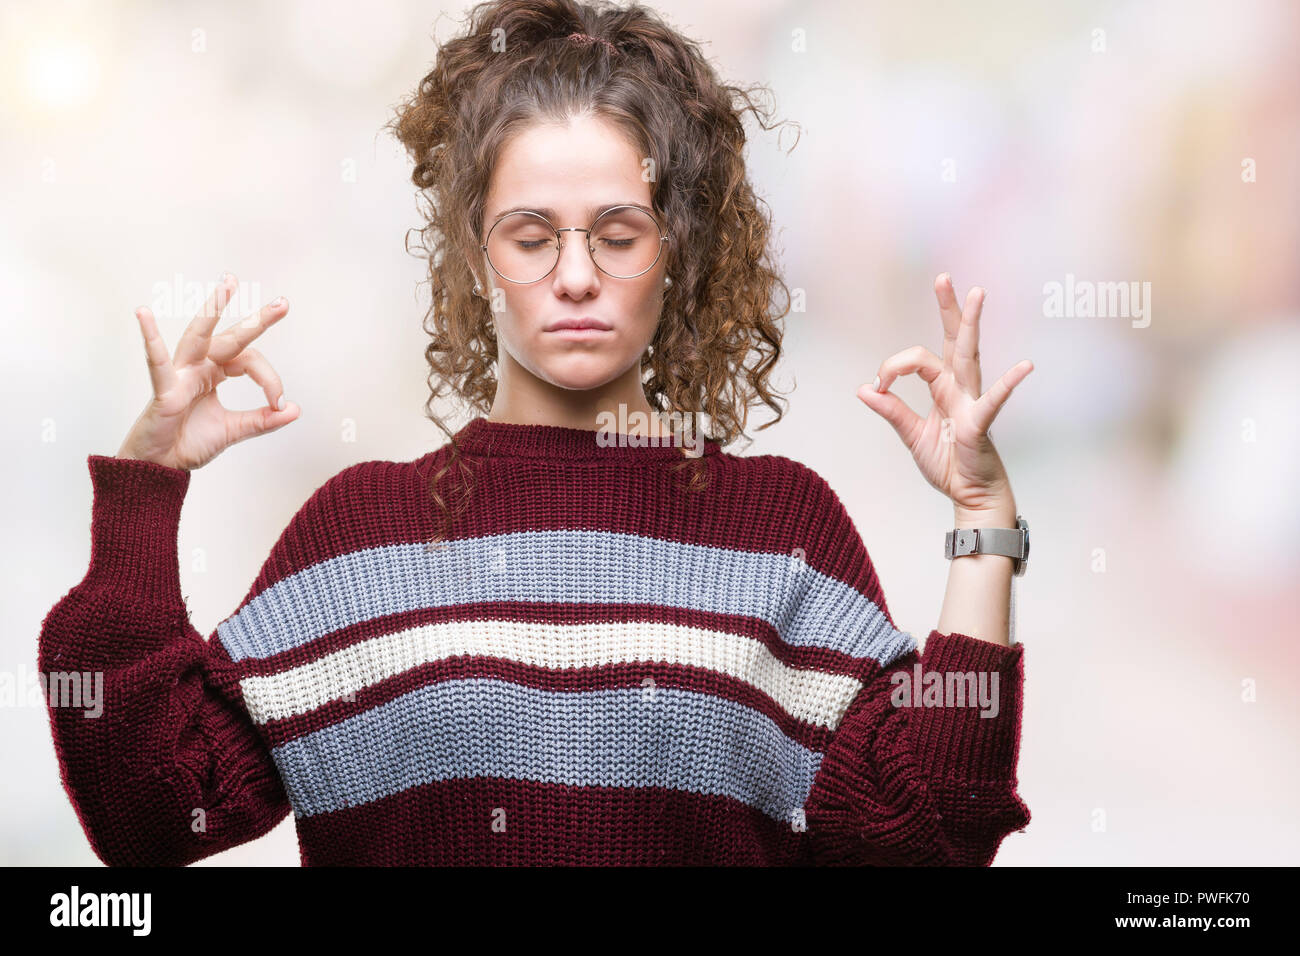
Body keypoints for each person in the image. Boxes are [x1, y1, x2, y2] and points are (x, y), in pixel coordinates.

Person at [38, 0, 1033, 866]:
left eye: (616, 232)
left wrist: (982, 521)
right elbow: (151, 815)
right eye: (531, 234)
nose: (573, 275)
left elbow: (925, 838)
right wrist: (144, 482)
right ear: (478, 257)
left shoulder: (781, 528)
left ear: (676, 250)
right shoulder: (361, 531)